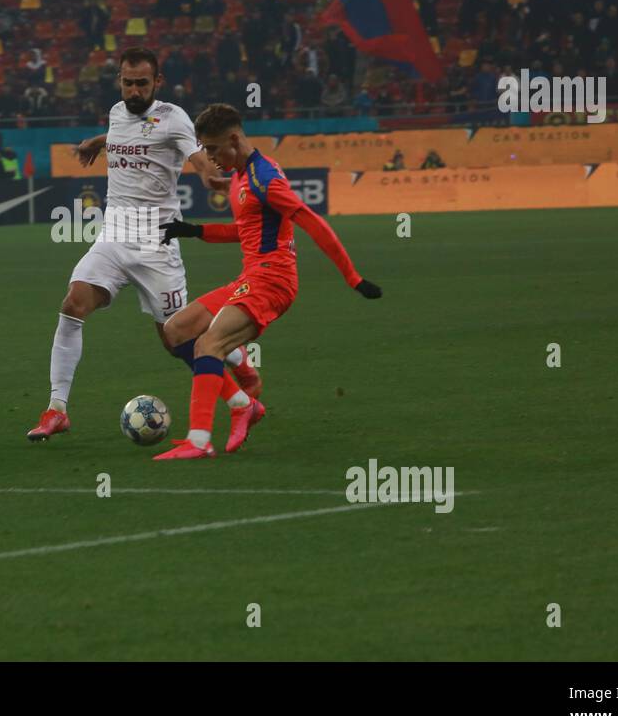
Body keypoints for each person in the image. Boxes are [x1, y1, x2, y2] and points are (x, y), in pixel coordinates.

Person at [25, 48, 260, 443]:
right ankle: (56, 410)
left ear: (158, 82)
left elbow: (197, 155)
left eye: (141, 84)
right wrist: (97, 142)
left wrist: (209, 178)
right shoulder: (117, 112)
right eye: (127, 82)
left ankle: (238, 374)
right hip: (114, 236)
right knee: (72, 305)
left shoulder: (174, 118)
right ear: (120, 80)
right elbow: (125, 134)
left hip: (158, 242)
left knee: (177, 339)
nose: (133, 90)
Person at [155, 103, 382, 459]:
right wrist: (195, 230)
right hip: (251, 276)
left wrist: (353, 278)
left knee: (207, 345)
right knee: (176, 331)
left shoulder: (264, 177)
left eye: (213, 149)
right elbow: (246, 233)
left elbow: (312, 221)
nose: (210, 158)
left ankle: (198, 441)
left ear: (233, 139)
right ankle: (244, 403)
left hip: (272, 282)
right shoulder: (240, 177)